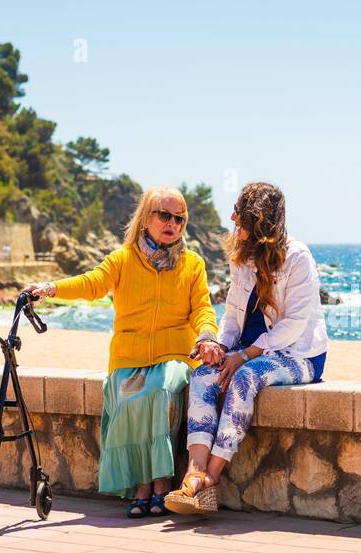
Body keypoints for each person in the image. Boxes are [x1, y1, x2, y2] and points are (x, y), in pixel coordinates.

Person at [22, 187, 222, 517]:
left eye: (179, 218)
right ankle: (142, 485)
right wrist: (51, 288)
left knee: (158, 392)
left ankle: (158, 485)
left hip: (174, 357)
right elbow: (92, 283)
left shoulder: (193, 264)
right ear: (146, 218)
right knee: (130, 397)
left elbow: (202, 306)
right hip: (129, 359)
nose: (172, 223)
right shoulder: (123, 259)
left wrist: (207, 335)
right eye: (164, 215)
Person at [165, 181, 328, 513]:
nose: (232, 217)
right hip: (245, 350)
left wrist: (245, 355)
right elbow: (233, 315)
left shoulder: (297, 257)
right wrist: (217, 345)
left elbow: (294, 323)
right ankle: (192, 473)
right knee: (202, 376)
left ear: (257, 219)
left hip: (298, 354)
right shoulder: (241, 258)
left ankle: (210, 478)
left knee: (245, 378)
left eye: (238, 212)